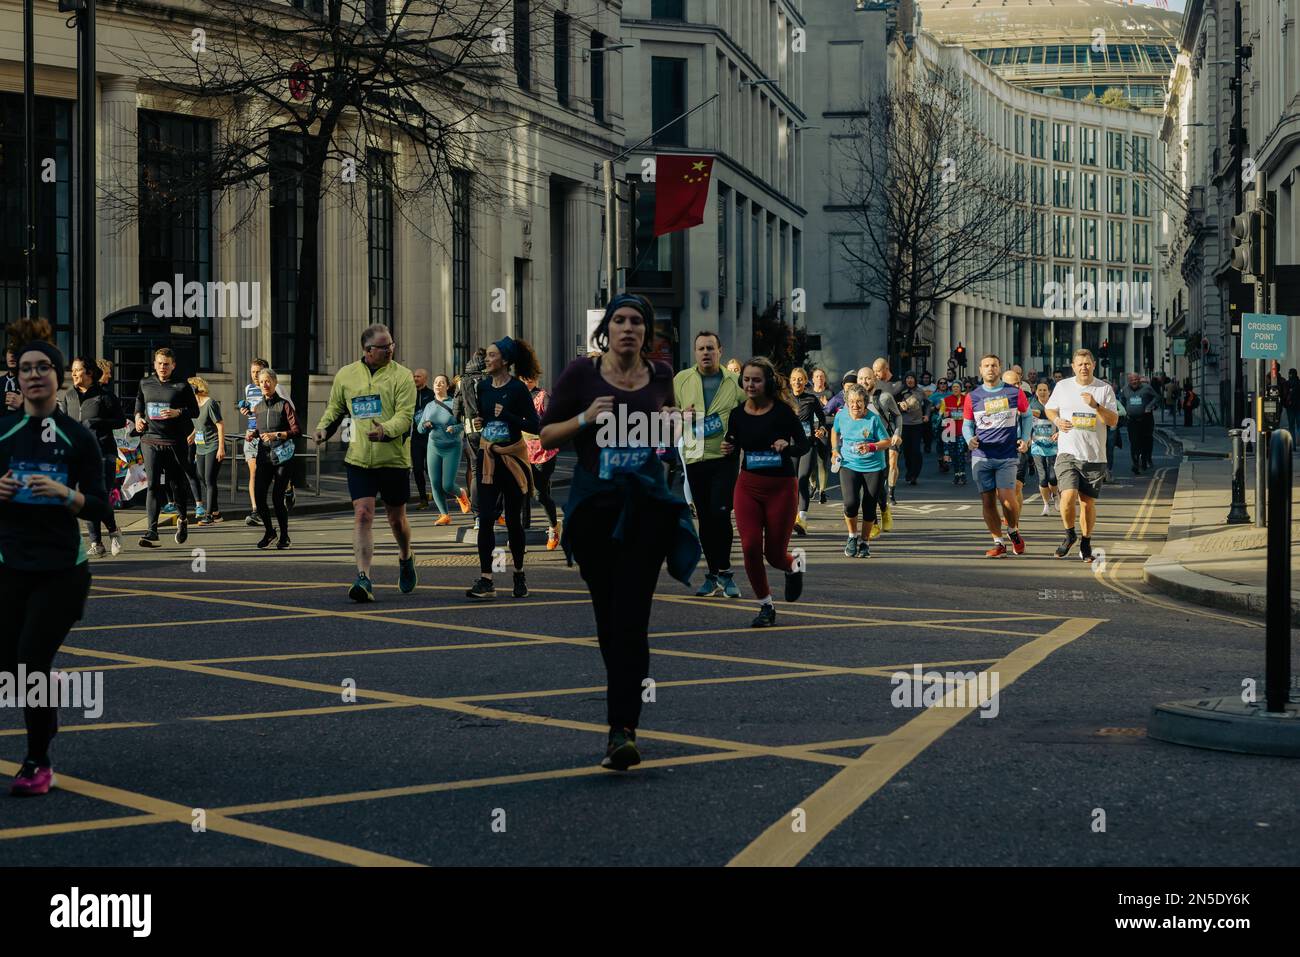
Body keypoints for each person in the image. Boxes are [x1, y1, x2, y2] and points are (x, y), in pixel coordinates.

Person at [539, 293, 700, 771]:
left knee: (632, 618)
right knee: (609, 621)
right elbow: (545, 437)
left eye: (637, 322)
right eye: (620, 320)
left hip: (645, 510)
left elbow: (670, 430)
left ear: (647, 333)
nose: (628, 328)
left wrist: (673, 425)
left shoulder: (662, 376)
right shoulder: (580, 374)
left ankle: (622, 729)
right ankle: (622, 711)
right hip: (595, 512)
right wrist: (587, 418)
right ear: (606, 330)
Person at [0, 322, 111, 795]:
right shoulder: (4, 432)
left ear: (59, 377)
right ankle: (46, 713)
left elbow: (106, 507)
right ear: (17, 379)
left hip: (62, 570)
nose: (34, 375)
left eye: (44, 367)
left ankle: (37, 760)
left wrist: (69, 495)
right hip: (9, 565)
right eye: (26, 369)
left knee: (30, 661)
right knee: (12, 665)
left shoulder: (76, 438)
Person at [314, 323, 418, 601]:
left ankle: (406, 556)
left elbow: (406, 415)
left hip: (393, 458)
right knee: (363, 514)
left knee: (397, 520)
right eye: (384, 347)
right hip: (359, 458)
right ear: (368, 351)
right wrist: (324, 428)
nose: (390, 350)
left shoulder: (402, 376)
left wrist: (386, 430)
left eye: (392, 345)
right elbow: (335, 407)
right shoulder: (346, 375)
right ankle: (363, 578)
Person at [722, 358, 810, 627]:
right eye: (746, 379)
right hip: (748, 486)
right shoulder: (737, 414)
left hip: (781, 488)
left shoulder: (783, 412)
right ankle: (765, 606)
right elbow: (733, 441)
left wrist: (788, 445)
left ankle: (794, 564)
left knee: (773, 555)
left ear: (768, 382)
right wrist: (729, 447)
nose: (750, 384)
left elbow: (804, 445)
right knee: (749, 548)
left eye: (756, 379)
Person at [464, 337, 541, 600]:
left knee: (513, 522)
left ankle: (519, 574)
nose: (487, 358)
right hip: (488, 458)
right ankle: (487, 580)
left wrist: (506, 415)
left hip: (512, 460)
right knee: (485, 519)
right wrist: (481, 419)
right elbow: (487, 417)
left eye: (493, 355)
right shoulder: (483, 387)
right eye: (488, 355)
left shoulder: (518, 390)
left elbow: (534, 425)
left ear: (505, 361)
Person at [674, 331, 745, 599]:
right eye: (701, 348)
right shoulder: (681, 380)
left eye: (710, 348)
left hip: (724, 458)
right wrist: (681, 415)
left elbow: (748, 417)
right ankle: (714, 574)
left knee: (720, 513)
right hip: (694, 456)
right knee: (704, 518)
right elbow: (663, 412)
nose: (705, 352)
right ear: (695, 353)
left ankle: (725, 573)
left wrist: (737, 443)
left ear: (720, 351)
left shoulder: (734, 382)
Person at [1046, 349, 1119, 563]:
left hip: (1095, 455)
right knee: (1067, 498)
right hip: (1068, 452)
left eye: (1087, 363)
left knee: (1087, 504)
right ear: (1073, 366)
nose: (1083, 367)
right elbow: (1050, 409)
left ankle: (1086, 542)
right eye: (1079, 364)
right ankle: (1070, 535)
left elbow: (1113, 421)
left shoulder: (1104, 389)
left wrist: (1095, 406)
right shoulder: (1063, 386)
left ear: (1094, 365)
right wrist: (1057, 421)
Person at [963, 353, 1032, 558]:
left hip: (1007, 455)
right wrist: (969, 440)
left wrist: (1026, 438)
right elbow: (967, 425)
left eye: (994, 365)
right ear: (980, 370)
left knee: (1008, 500)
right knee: (987, 502)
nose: (990, 369)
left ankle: (1012, 531)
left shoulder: (1013, 393)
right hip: (981, 455)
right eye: (986, 366)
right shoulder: (973, 397)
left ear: (999, 368)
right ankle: (998, 542)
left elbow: (1027, 416)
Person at [134, 347, 200, 547]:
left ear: (173, 365)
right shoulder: (145, 383)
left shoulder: (181, 385)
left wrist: (177, 412)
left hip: (174, 442)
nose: (162, 367)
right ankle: (152, 531)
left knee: (175, 483)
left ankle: (182, 518)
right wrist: (137, 418)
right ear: (154, 364)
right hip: (150, 440)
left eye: (166, 364)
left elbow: (195, 411)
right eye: (159, 363)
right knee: (153, 485)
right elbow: (139, 404)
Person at [60, 357, 124, 556]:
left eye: (78, 370)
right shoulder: (69, 396)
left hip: (103, 452)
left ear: (89, 373)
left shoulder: (104, 396)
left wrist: (98, 421)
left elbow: (121, 421)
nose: (74, 374)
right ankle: (97, 542)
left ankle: (113, 530)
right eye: (72, 370)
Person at [831, 383, 892, 558]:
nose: (855, 405)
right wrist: (834, 450)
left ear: (865, 402)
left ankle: (864, 542)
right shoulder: (842, 415)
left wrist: (871, 447)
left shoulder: (873, 419)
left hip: (873, 467)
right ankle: (852, 537)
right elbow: (834, 431)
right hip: (849, 464)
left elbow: (886, 442)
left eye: (859, 401)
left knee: (869, 507)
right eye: (851, 401)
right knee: (850, 504)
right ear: (847, 402)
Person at [249, 367, 300, 549]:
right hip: (264, 457)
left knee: (277, 498)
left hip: (282, 458)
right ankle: (270, 531)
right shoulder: (258, 407)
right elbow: (261, 429)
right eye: (262, 382)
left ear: (275, 383)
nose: (265, 384)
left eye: (268, 381)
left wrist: (277, 435)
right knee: (259, 496)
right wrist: (253, 434)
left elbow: (296, 431)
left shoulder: (284, 405)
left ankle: (284, 536)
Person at [415, 373, 469, 526]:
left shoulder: (454, 403)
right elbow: (419, 429)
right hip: (434, 446)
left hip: (452, 447)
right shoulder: (429, 406)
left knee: (447, 484)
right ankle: (444, 515)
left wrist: (455, 427)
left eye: (441, 382)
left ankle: (461, 493)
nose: (438, 385)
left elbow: (464, 424)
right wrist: (424, 425)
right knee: (435, 483)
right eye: (436, 382)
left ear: (446, 386)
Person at [857, 366, 902, 535]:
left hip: (882, 444)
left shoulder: (884, 397)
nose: (864, 382)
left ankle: (884, 509)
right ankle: (873, 522)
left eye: (867, 378)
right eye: (860, 379)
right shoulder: (854, 399)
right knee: (864, 487)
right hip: (862, 447)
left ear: (875, 379)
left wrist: (897, 433)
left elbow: (897, 416)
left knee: (876, 486)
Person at [521, 374, 562, 549]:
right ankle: (520, 532)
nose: (528, 380)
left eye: (531, 376)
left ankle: (554, 527)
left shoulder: (543, 396)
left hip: (543, 451)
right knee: (519, 491)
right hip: (520, 449)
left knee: (540, 494)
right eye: (524, 376)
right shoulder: (515, 396)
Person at [789, 367, 827, 536]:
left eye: (800, 379)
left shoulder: (811, 399)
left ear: (805, 381)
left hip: (807, 444)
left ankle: (802, 519)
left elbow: (822, 418)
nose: (797, 382)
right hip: (789, 446)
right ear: (790, 381)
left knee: (803, 479)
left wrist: (821, 429)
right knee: (792, 482)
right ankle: (789, 517)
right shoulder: (785, 399)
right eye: (794, 379)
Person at [453, 349, 487, 528]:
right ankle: (495, 512)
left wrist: (464, 420)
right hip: (489, 429)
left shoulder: (462, 381)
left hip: (471, 429)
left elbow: (456, 410)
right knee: (494, 470)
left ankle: (478, 516)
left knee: (475, 471)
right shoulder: (488, 379)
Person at [187, 376, 225, 526]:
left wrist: (221, 448)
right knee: (201, 476)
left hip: (214, 445)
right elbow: (199, 426)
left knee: (209, 479)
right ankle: (216, 512)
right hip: (201, 446)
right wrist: (192, 435)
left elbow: (220, 425)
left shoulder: (210, 403)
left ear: (196, 388)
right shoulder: (193, 406)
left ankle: (208, 515)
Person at [237, 358, 270, 528]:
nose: (255, 376)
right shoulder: (249, 389)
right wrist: (245, 410)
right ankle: (255, 510)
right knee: (254, 472)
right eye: (252, 372)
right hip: (251, 434)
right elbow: (250, 410)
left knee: (276, 472)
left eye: (258, 372)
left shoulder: (271, 388)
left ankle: (288, 486)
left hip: (267, 435)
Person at [1029, 381, 1060, 515]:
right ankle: (1046, 505)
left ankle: (1056, 496)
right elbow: (1027, 422)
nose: (1042, 392)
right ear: (1036, 392)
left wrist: (1059, 432)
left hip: (1053, 445)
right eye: (1040, 390)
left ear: (1049, 392)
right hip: (1037, 446)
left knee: (1052, 477)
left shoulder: (1055, 405)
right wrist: (1028, 437)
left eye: (1044, 390)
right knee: (1042, 478)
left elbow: (1061, 419)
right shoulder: (1032, 405)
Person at [1119, 372, 1159, 474]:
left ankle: (1145, 460)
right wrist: (1124, 410)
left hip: (1146, 418)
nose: (1134, 382)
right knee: (1134, 442)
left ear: (1139, 379)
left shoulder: (1147, 388)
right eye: (1132, 380)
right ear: (1129, 381)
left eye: (1136, 379)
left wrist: (1149, 406)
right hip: (1132, 420)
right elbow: (1122, 400)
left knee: (1146, 441)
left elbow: (1156, 397)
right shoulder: (1125, 389)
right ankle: (1135, 463)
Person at [898, 372, 931, 485]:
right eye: (908, 378)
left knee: (916, 451)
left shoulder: (920, 391)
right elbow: (893, 404)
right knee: (907, 451)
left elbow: (927, 404)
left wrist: (927, 415)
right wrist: (900, 407)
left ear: (915, 380)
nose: (910, 380)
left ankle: (914, 474)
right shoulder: (901, 392)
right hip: (904, 424)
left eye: (912, 378)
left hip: (917, 424)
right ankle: (909, 471)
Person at [409, 368, 436, 509]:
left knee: (430, 469)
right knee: (418, 469)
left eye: (418, 376)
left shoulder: (431, 395)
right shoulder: (409, 394)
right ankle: (423, 498)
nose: (415, 378)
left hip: (430, 438)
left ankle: (438, 496)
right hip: (416, 438)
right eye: (414, 376)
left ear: (425, 379)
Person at [809, 368, 833, 504]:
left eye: (821, 376)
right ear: (812, 379)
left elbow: (835, 412)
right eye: (817, 376)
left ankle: (822, 491)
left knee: (822, 461)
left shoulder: (829, 393)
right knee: (810, 461)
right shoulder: (808, 393)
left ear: (824, 379)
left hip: (824, 429)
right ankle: (813, 485)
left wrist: (826, 404)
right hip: (810, 429)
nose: (819, 379)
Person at [940, 378, 967, 484]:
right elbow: (940, 416)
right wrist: (943, 415)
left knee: (961, 452)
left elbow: (969, 414)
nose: (955, 389)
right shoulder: (945, 400)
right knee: (953, 454)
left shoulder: (966, 399)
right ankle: (956, 474)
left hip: (962, 430)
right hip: (949, 430)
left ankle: (963, 474)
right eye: (954, 387)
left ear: (961, 388)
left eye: (957, 387)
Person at [2, 347, 21, 412]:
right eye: (10, 352)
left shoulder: (29, 383)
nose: (12, 355)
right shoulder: (1, 381)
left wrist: (22, 405)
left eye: (15, 352)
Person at [1285, 368, 1300, 438]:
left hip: (1290, 407)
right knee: (1299, 425)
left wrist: (1285, 404)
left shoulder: (1287, 383)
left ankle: (1293, 445)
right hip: (1299, 407)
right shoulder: (1299, 383)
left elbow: (1285, 395)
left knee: (1291, 426)